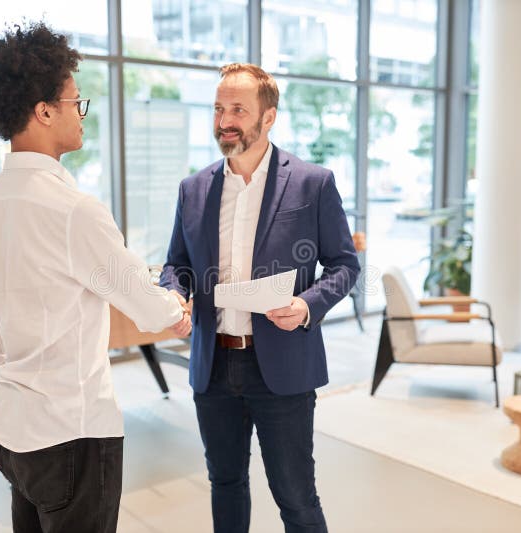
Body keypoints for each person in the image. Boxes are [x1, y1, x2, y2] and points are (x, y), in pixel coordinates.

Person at [0, 22, 191, 533]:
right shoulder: (72, 210)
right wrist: (177, 308)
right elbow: (146, 305)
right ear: (44, 111)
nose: (82, 115)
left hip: (13, 432)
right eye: (75, 103)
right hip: (72, 433)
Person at [160, 63, 360, 533]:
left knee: (296, 497)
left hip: (282, 367)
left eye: (238, 110)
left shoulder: (312, 183)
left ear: (268, 117)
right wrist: (175, 295)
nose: (224, 121)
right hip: (213, 367)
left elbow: (344, 265)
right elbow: (177, 264)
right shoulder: (193, 189)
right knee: (225, 484)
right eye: (218, 109)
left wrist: (307, 305)